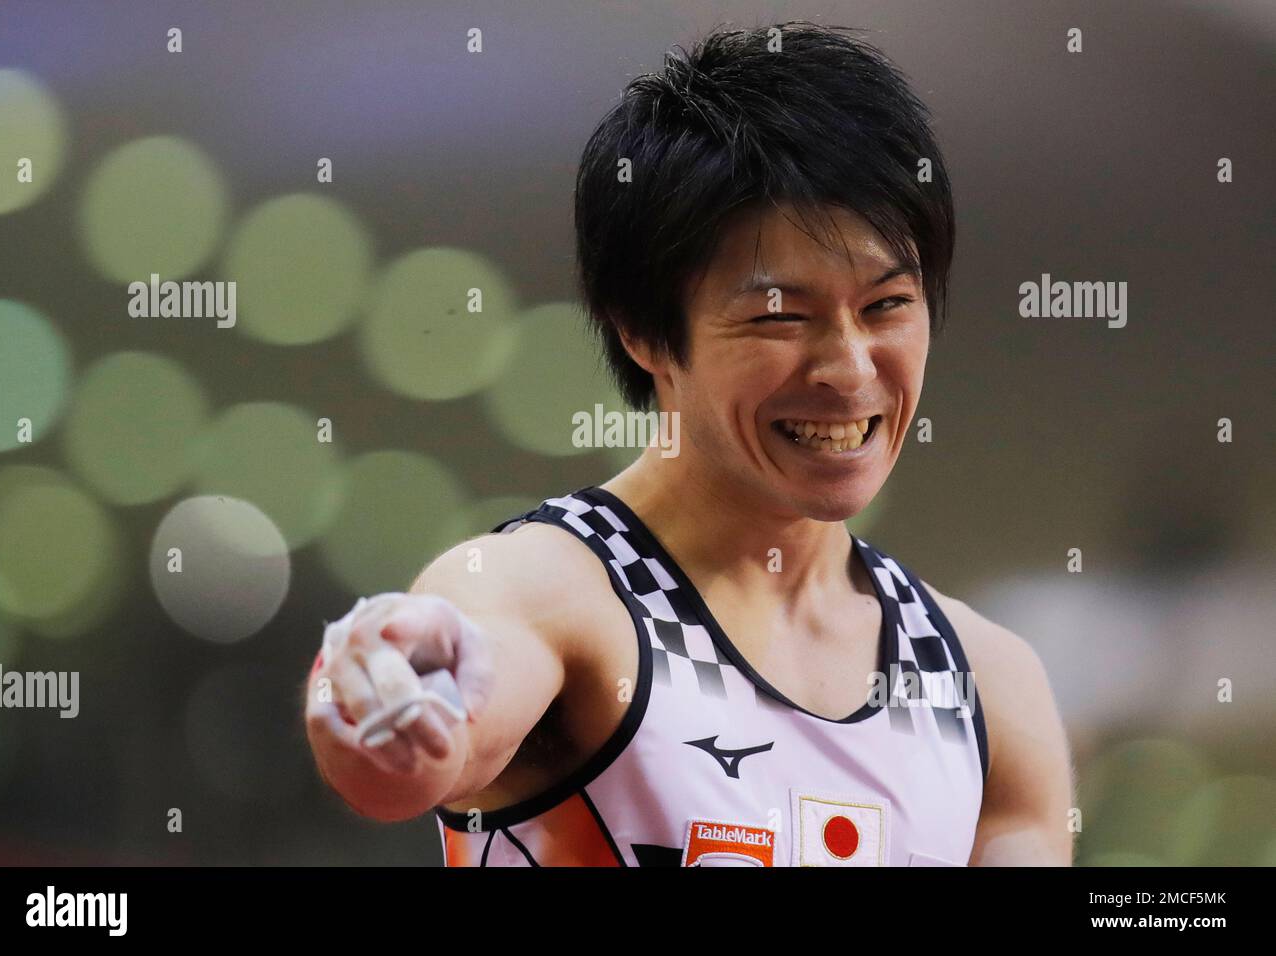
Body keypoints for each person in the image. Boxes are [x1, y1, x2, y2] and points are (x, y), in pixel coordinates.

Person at [304, 21, 1073, 866]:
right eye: (782, 315)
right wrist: (375, 712)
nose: (850, 370)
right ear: (642, 330)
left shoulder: (987, 688)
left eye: (887, 305)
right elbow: (413, 747)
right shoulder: (554, 596)